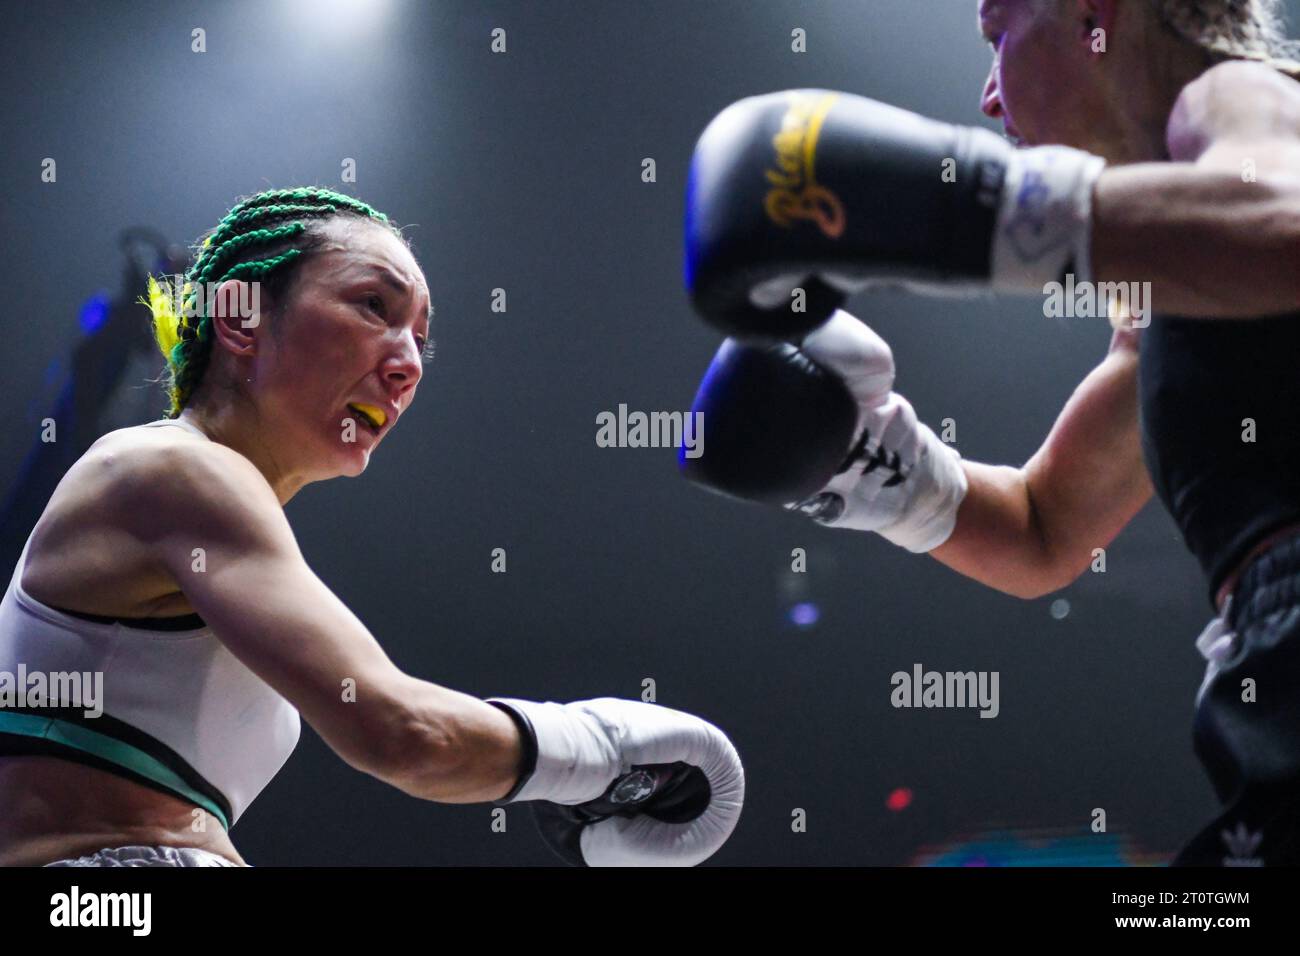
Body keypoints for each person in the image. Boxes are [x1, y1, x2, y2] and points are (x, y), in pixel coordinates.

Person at [681, 0, 1300, 864]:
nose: (986, 97)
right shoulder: (1169, 300)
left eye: (999, 34)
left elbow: (1282, 223)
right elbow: (1045, 529)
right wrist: (871, 461)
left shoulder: (1244, 96)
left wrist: (959, 211)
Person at [0, 186, 744, 867]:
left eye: (421, 337)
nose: (409, 364)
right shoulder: (171, 468)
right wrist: (597, 753)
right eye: (373, 307)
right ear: (240, 318)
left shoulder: (205, 509)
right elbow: (402, 733)